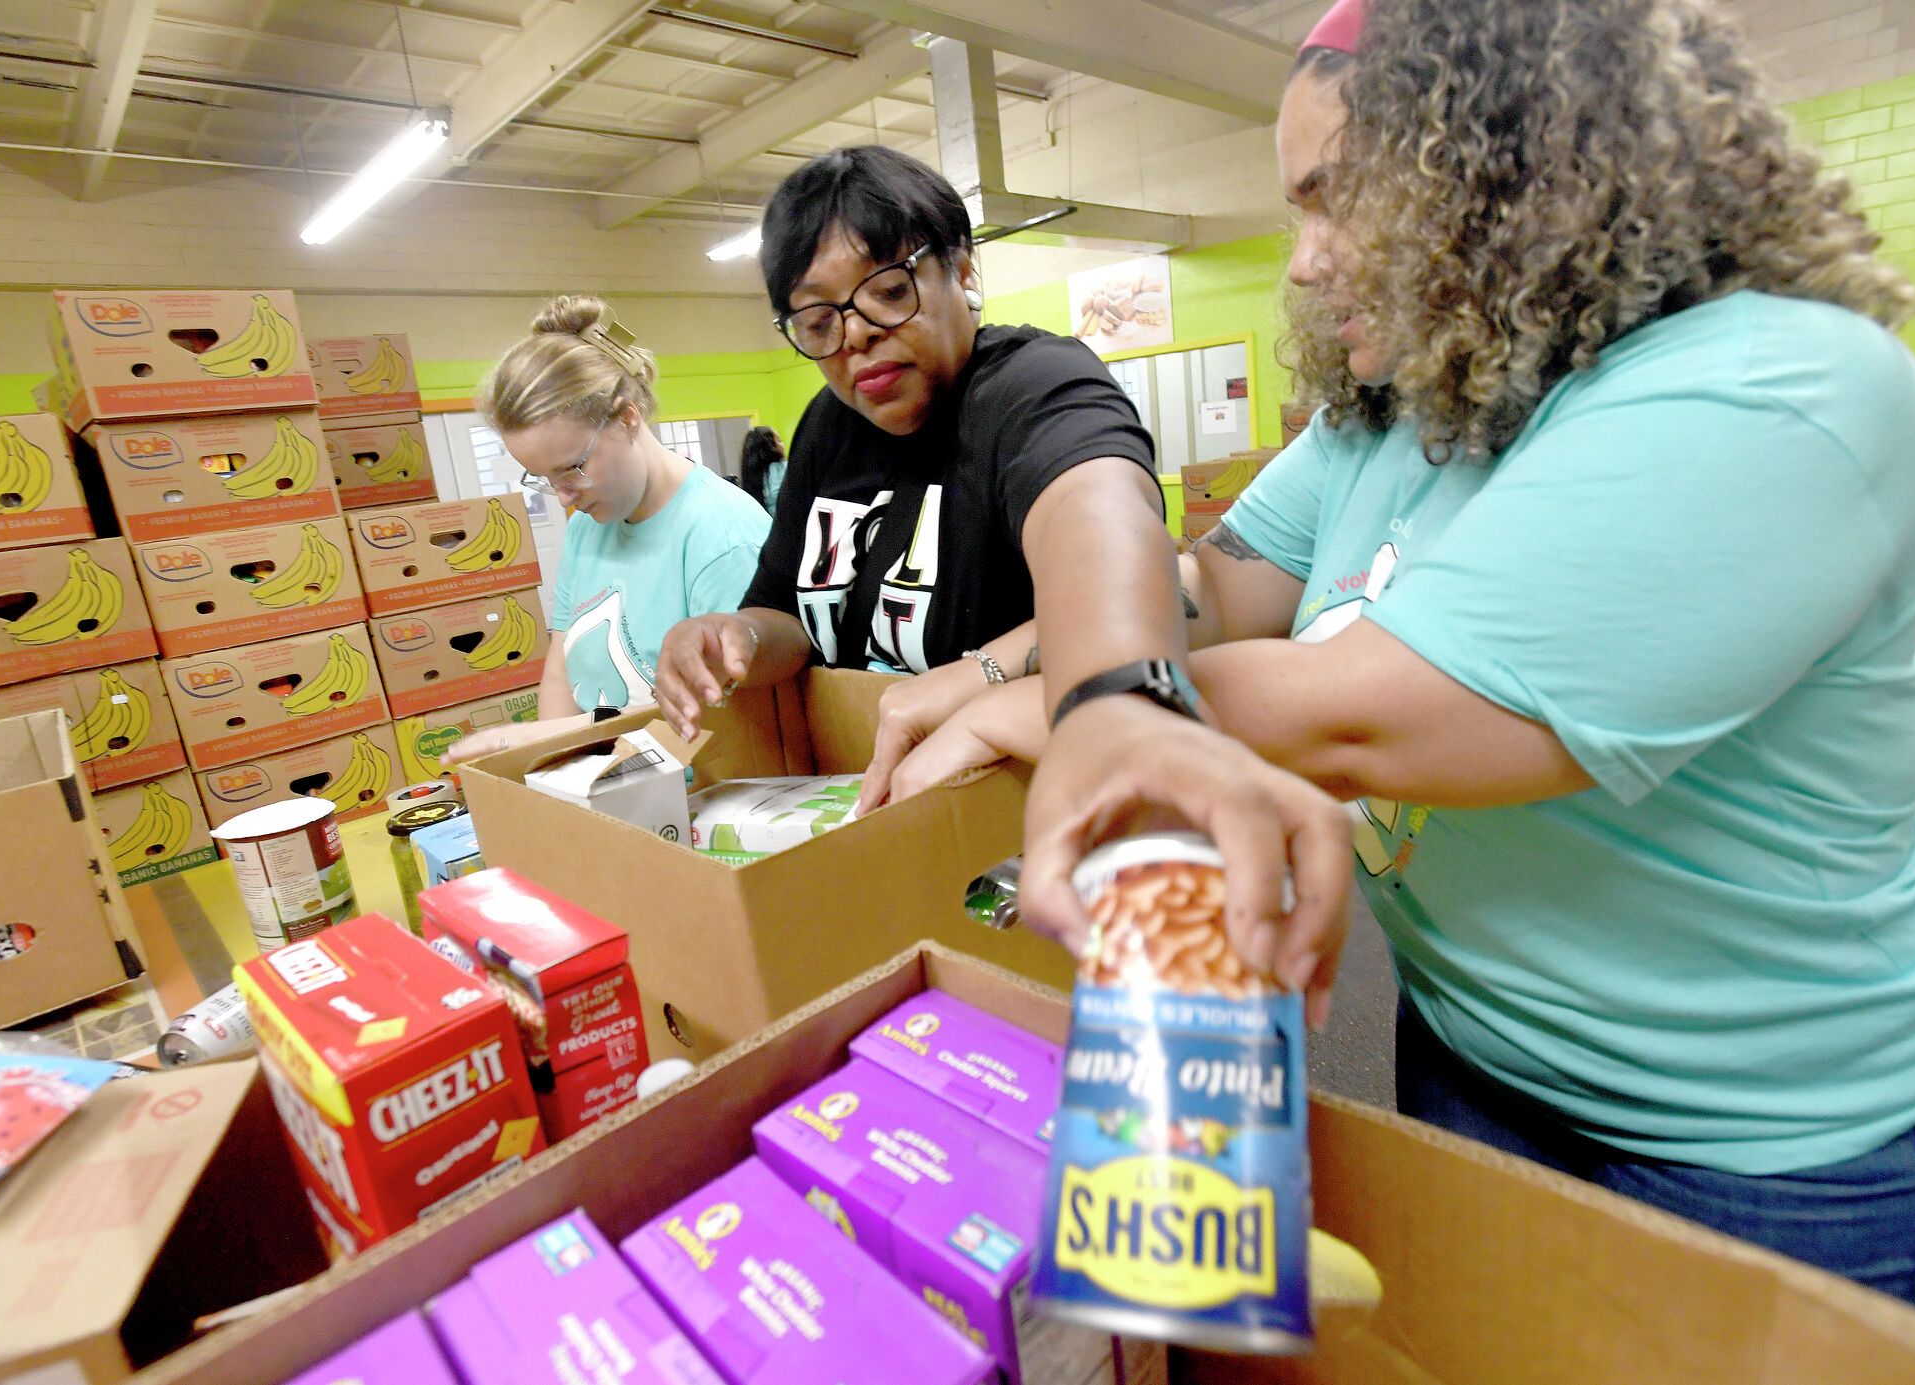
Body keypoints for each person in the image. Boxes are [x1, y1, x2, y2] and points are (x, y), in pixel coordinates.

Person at [886, 0, 1915, 1343]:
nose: (1301, 266)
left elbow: (1373, 713)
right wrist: (988, 662)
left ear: (1510, 176)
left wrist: (1069, 704)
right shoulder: (1408, 400)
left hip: (1778, 1125)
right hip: (1483, 1043)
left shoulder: (1784, 387)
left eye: (1334, 201)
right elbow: (1210, 587)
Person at [654, 146, 1350, 1003]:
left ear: (960, 270)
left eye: (887, 289)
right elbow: (787, 613)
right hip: (878, 836)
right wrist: (732, 636)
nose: (858, 334)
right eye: (818, 321)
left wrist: (1061, 692)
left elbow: (1101, 523)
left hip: (1032, 843)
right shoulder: (828, 431)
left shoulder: (1031, 387)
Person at [442, 296, 770, 763]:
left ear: (627, 418)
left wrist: (546, 739)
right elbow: (560, 672)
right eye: (545, 478)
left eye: (572, 467)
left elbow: (723, 722)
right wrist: (551, 763)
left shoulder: (724, 536)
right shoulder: (588, 528)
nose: (563, 496)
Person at [737, 425, 785, 513]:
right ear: (772, 447)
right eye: (779, 441)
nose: (783, 445)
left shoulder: (748, 478)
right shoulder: (785, 469)